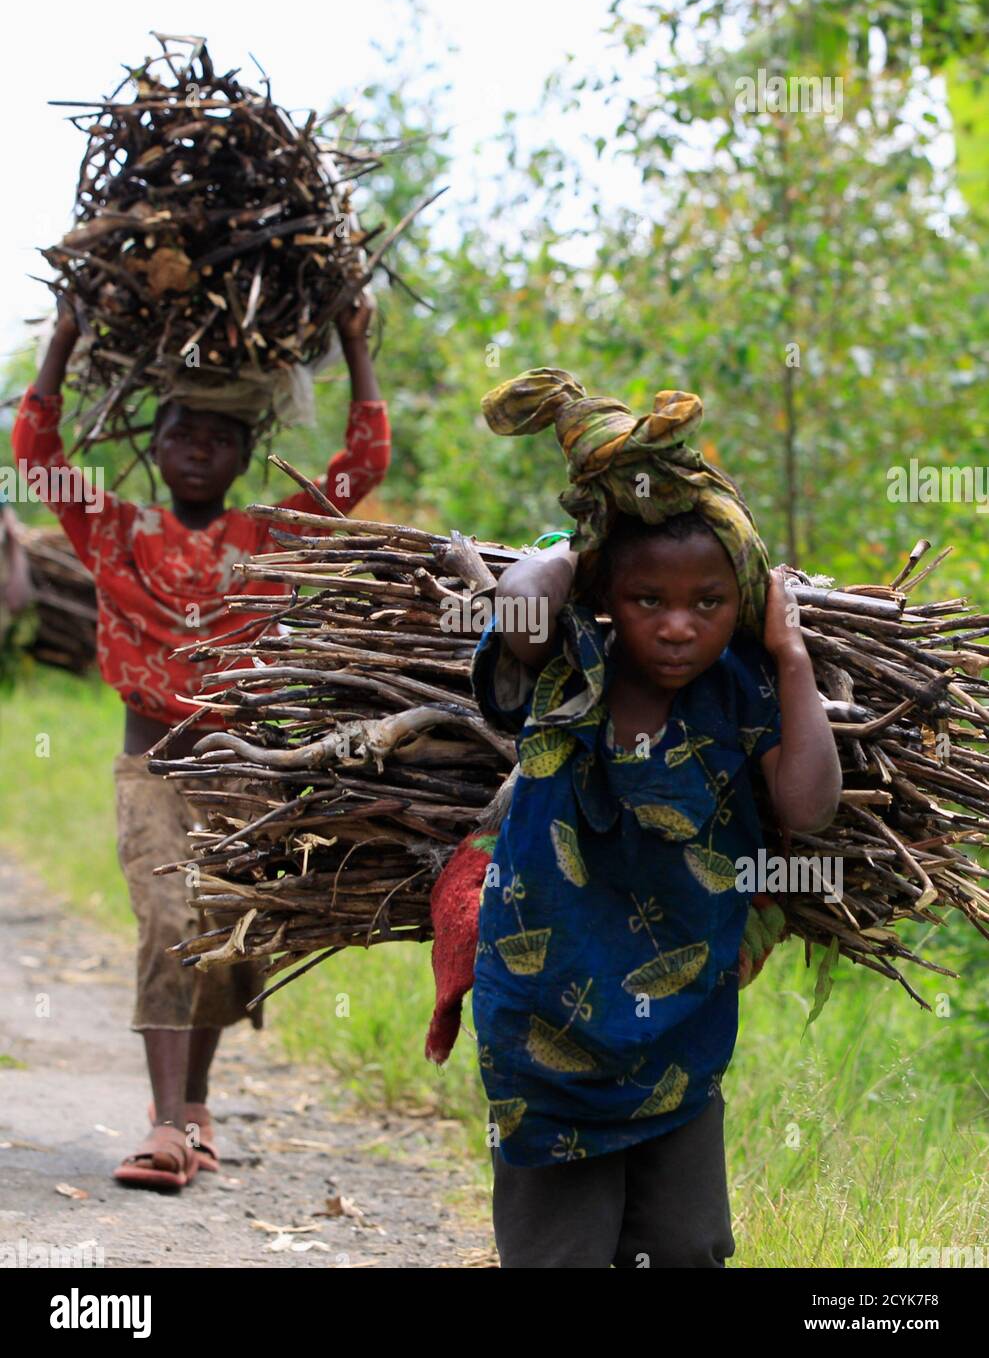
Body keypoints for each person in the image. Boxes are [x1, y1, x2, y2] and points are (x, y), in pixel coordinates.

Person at [10, 293, 390, 1189]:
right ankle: (166, 1127)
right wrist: (63, 338)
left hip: (244, 769)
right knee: (168, 921)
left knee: (235, 937)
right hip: (153, 765)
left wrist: (351, 339)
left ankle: (194, 1104)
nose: (198, 451)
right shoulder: (111, 529)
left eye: (219, 439)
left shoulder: (269, 538)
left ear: (243, 452)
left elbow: (360, 463)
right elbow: (34, 451)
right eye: (183, 433)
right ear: (158, 441)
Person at [468, 367, 841, 1268]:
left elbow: (806, 806)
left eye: (708, 604)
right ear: (605, 597)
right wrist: (578, 538)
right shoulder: (565, 661)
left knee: (688, 1247)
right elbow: (518, 609)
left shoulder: (739, 691)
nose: (678, 626)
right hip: (544, 1030)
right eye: (648, 602)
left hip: (679, 1033)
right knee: (560, 1257)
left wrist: (789, 654)